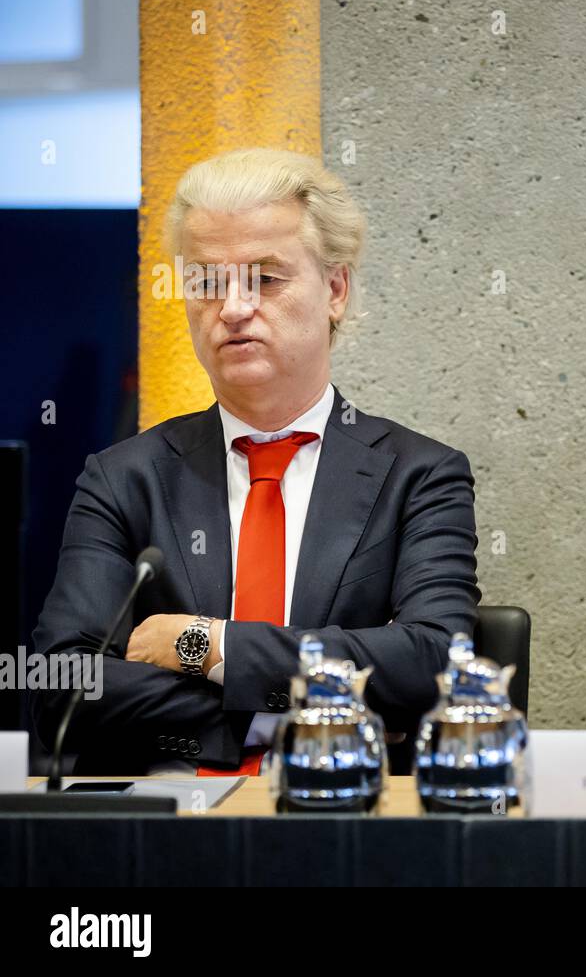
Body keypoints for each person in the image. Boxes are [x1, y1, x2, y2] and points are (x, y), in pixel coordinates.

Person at [30, 148, 479, 775]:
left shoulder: (419, 476)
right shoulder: (123, 478)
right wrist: (289, 713)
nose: (233, 308)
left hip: (344, 810)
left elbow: (434, 664)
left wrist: (206, 645)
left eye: (265, 279)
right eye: (207, 282)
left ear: (336, 290)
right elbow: (62, 685)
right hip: (167, 819)